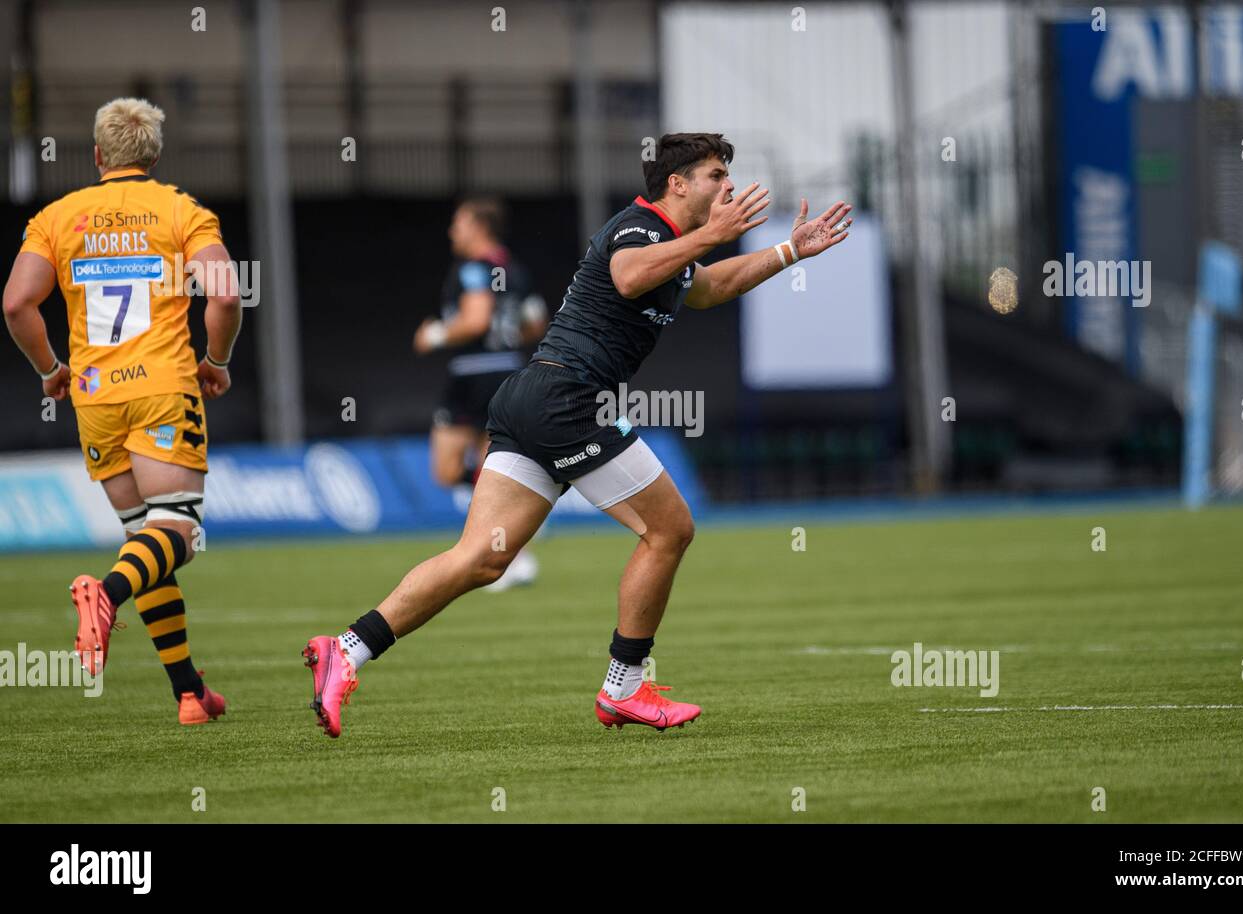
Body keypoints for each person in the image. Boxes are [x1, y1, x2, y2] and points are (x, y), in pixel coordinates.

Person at [302, 132, 851, 737]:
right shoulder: (640, 229)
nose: (727, 185)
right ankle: (625, 688)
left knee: (481, 558)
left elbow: (708, 288)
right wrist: (709, 236)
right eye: (716, 174)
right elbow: (627, 275)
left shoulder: (674, 246)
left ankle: (347, 649)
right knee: (670, 529)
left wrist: (788, 253)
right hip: (569, 400)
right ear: (677, 183)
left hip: (534, 397)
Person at [2, 98, 241, 725]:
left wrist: (52, 371)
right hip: (163, 386)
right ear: (155, 156)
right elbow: (223, 292)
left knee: (146, 538)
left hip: (95, 396)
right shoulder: (181, 210)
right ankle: (104, 594)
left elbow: (16, 305)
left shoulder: (57, 217)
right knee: (180, 533)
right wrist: (215, 358)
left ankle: (189, 692)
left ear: (99, 156)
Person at [413, 198, 547, 592]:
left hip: (472, 376)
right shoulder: (515, 269)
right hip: (509, 369)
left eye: (458, 223)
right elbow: (536, 321)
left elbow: (475, 319)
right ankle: (513, 550)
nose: (453, 231)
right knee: (494, 470)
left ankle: (506, 544)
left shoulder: (473, 269)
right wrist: (502, 343)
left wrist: (433, 335)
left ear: (478, 227)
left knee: (447, 469)